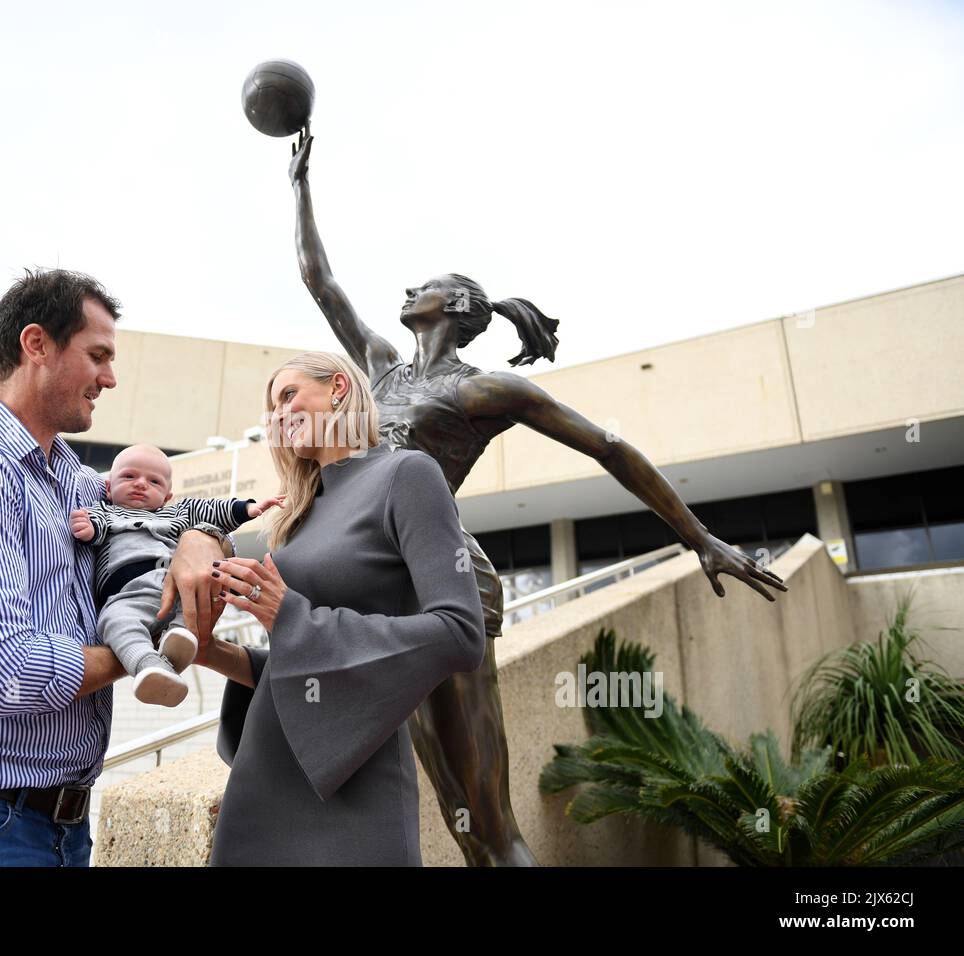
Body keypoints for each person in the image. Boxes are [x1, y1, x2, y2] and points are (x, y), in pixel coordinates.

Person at [282, 127, 788, 865]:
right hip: (385, 585)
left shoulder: (486, 388)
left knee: (489, 822)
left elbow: (608, 447)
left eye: (419, 285)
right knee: (462, 826)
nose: (403, 292)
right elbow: (318, 280)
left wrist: (698, 537)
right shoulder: (382, 368)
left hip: (445, 583)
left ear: (452, 304)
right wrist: (299, 185)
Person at [0, 268, 233, 867]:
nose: (110, 379)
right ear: (36, 345)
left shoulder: (76, 481)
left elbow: (165, 517)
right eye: (98, 356)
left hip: (58, 828)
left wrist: (200, 535)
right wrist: (141, 654)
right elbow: (1, 673)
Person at [198, 351, 487, 865]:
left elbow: (461, 632)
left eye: (288, 394)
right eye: (271, 406)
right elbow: (298, 657)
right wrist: (211, 650)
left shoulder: (408, 474)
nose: (278, 413)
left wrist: (288, 614)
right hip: (265, 766)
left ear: (337, 387)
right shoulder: (297, 514)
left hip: (355, 768)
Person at [68, 442, 284, 707]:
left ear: (167, 496)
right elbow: (92, 526)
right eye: (129, 476)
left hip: (172, 583)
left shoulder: (176, 513)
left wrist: (248, 509)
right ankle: (150, 666)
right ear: (109, 488)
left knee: (192, 603)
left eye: (154, 481)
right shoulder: (105, 512)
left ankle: (180, 636)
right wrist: (87, 529)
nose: (140, 484)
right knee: (115, 624)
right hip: (126, 596)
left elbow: (211, 510)